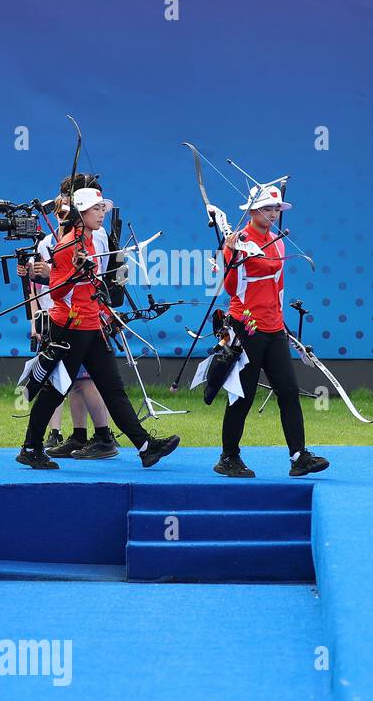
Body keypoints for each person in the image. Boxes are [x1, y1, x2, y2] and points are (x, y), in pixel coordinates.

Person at [17, 186, 179, 470]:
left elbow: (94, 287)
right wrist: (77, 274)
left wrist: (104, 311)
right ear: (81, 213)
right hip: (69, 329)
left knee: (113, 389)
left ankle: (145, 446)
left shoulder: (91, 241)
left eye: (102, 208)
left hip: (92, 326)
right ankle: (31, 447)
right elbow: (57, 292)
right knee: (56, 390)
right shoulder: (67, 245)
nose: (101, 213)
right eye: (96, 209)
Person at [213, 184, 328, 478]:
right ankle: (229, 457)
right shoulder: (239, 242)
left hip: (274, 327)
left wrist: (285, 327)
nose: (274, 214)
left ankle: (299, 456)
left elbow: (277, 287)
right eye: (267, 208)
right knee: (243, 395)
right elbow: (232, 288)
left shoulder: (278, 242)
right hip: (246, 327)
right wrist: (230, 251)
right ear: (252, 211)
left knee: (288, 391)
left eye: (277, 209)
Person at [20, 174, 117, 459]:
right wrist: (36, 315)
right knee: (66, 383)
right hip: (58, 317)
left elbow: (89, 278)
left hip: (82, 319)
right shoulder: (53, 240)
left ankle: (104, 436)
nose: (60, 208)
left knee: (85, 382)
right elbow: (42, 286)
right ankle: (76, 436)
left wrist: (54, 275)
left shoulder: (93, 236)